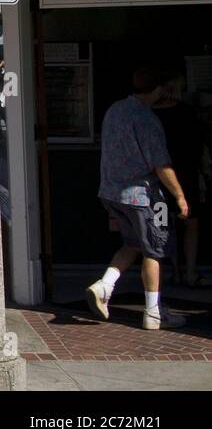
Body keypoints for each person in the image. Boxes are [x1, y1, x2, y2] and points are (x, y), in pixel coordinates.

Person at [86, 66, 189, 330]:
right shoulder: (146, 118)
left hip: (112, 193)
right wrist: (179, 197)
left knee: (132, 243)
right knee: (156, 249)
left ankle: (104, 285)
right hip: (147, 197)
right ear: (158, 90)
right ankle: (153, 312)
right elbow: (161, 165)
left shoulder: (115, 111)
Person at [152, 74, 210, 287]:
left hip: (156, 178)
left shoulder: (148, 114)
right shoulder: (187, 113)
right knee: (190, 224)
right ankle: (191, 272)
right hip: (186, 175)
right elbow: (198, 145)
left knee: (163, 226)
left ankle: (174, 271)